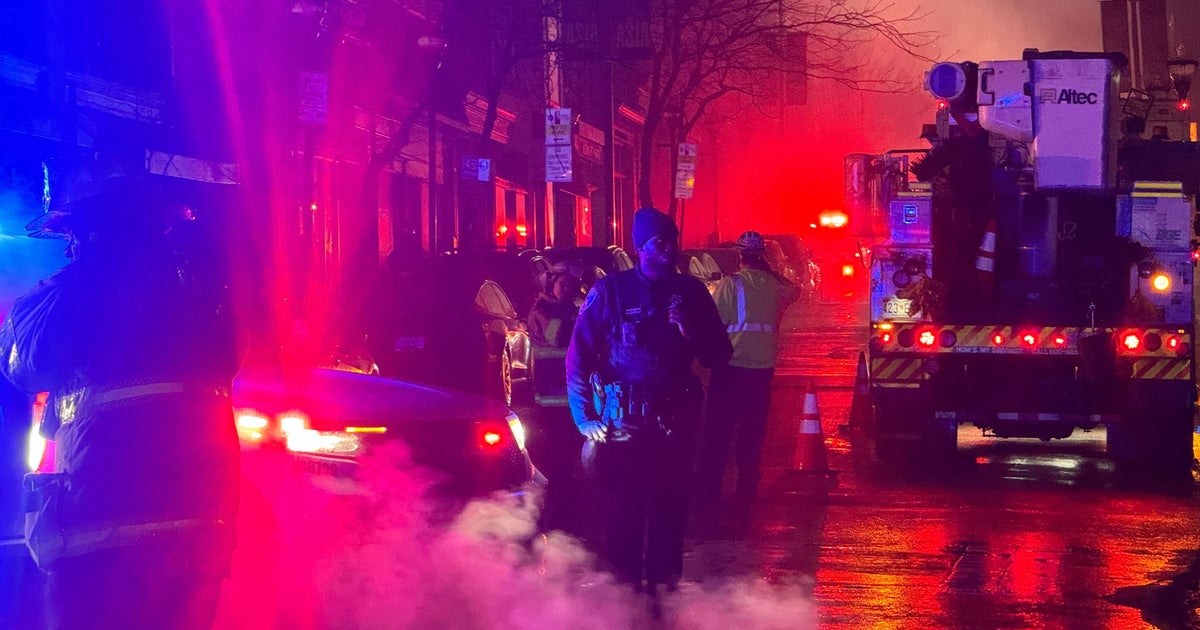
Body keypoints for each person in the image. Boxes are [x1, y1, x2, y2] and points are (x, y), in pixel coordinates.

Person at [0, 152, 242, 629]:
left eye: (72, 235)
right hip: (198, 529)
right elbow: (230, 361)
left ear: (92, 233)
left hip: (101, 528)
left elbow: (27, 364)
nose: (68, 247)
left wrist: (71, 281)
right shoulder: (203, 292)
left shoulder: (75, 294)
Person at [566, 207, 732, 595]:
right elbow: (578, 356)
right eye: (660, 242)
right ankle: (624, 609)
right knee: (622, 521)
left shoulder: (691, 292)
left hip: (674, 427)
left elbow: (719, 355)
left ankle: (663, 609)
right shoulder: (611, 291)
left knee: (668, 521)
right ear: (640, 247)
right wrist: (584, 418)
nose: (669, 248)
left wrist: (690, 330)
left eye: (673, 239)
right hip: (624, 427)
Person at [698, 230, 798, 501]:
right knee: (752, 431)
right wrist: (770, 270)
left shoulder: (731, 285)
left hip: (731, 368)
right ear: (762, 257)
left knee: (719, 431)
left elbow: (713, 323)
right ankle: (748, 480)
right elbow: (795, 290)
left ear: (739, 255)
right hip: (762, 370)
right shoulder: (776, 286)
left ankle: (711, 485)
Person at [527, 266, 582, 348]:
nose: (566, 288)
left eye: (569, 285)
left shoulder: (567, 306)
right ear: (550, 285)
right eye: (562, 284)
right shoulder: (542, 309)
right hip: (551, 359)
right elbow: (554, 339)